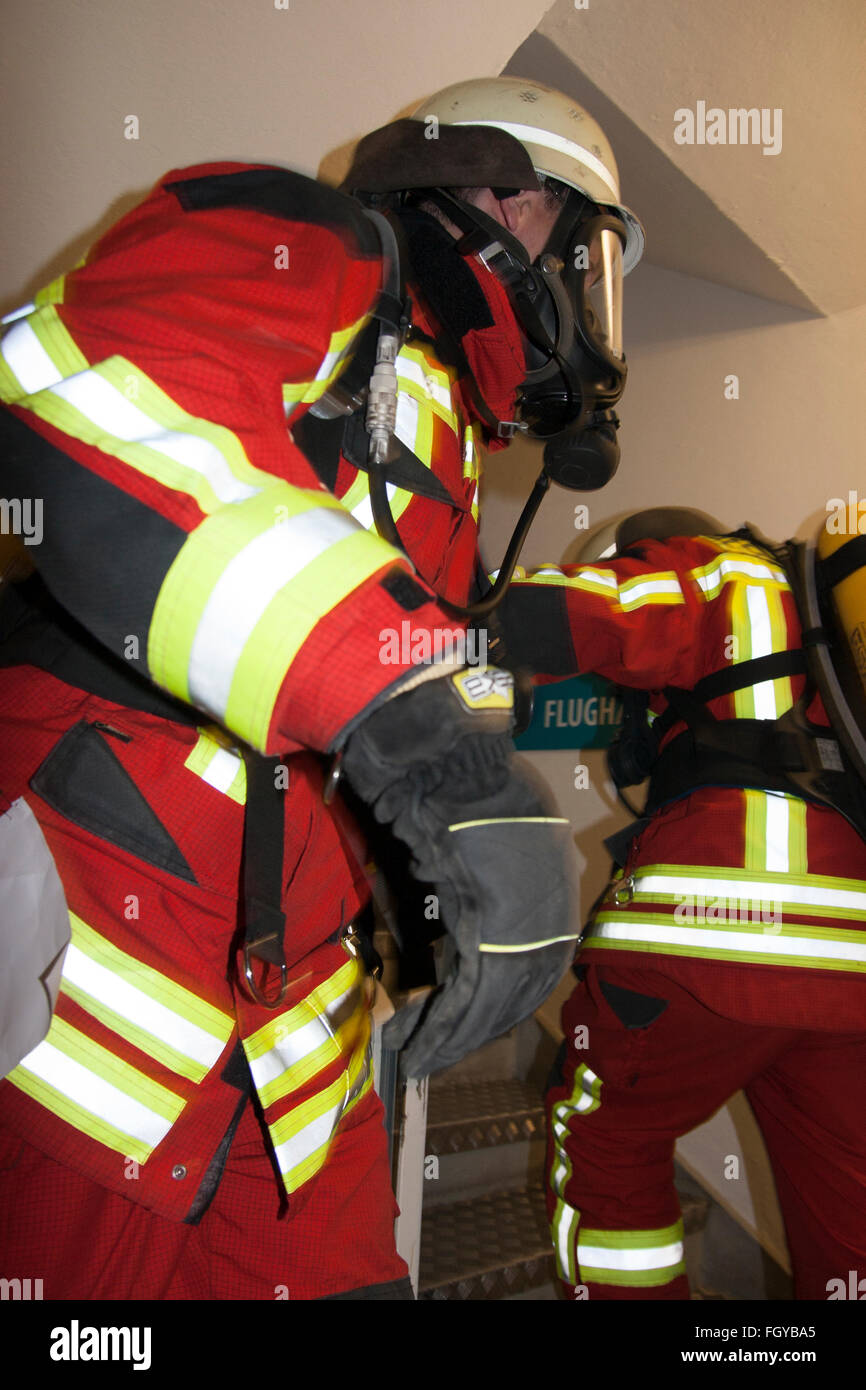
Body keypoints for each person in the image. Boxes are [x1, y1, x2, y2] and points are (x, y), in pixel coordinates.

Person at [0, 77, 642, 1300]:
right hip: (91, 983)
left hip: (300, 1036)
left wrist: (442, 886)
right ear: (503, 194)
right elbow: (82, 390)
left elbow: (416, 670)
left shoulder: (439, 431)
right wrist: (455, 768)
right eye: (582, 248)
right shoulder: (311, 244)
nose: (585, 297)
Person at [495, 508, 866, 1299]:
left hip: (708, 943)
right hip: (852, 968)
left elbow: (571, 614)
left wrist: (426, 616)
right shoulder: (829, 630)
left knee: (609, 1145)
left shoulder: (715, 569)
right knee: (847, 1197)